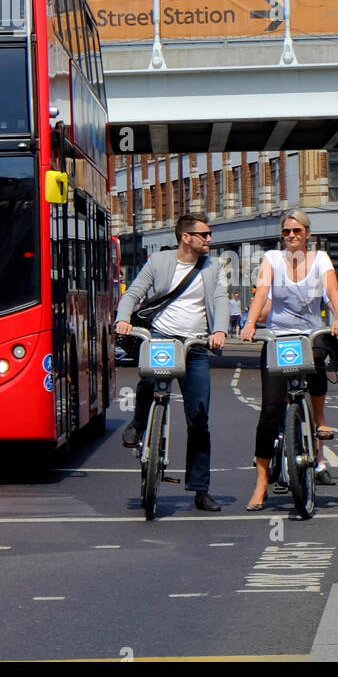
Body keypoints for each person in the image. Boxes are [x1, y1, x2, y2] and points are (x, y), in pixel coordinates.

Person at [115, 213, 229, 513]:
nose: (209, 239)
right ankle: (140, 423)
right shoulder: (159, 262)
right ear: (186, 238)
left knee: (199, 418)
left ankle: (200, 489)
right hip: (163, 339)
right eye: (204, 234)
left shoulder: (213, 266)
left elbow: (219, 299)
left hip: (196, 346)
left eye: (209, 234)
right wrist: (123, 319)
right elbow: (134, 293)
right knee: (149, 381)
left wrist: (219, 329)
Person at [241, 208, 338, 509]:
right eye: (286, 231)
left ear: (307, 234)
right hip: (278, 337)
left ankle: (320, 418)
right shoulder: (272, 260)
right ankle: (262, 482)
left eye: (296, 231)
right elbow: (261, 293)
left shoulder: (321, 260)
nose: (291, 236)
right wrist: (251, 323)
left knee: (318, 352)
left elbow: (333, 292)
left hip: (310, 334)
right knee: (270, 413)